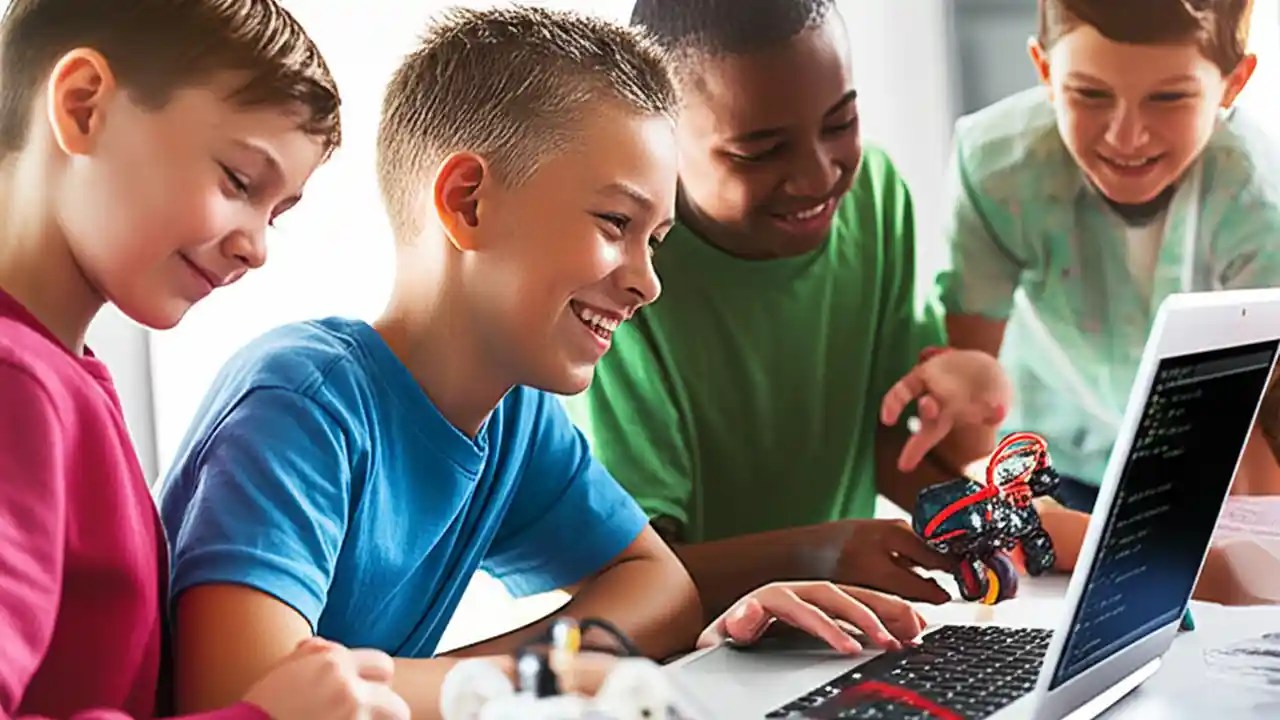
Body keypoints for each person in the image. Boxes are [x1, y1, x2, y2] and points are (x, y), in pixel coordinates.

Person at [155, 8, 707, 720]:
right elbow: (245, 697)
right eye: (615, 224)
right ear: (467, 202)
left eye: (655, 239)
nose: (647, 281)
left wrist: (477, 679)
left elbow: (661, 591)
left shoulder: (516, 415)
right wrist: (525, 684)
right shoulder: (299, 405)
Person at [0, 1, 410, 718]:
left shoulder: (62, 379)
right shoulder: (16, 385)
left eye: (276, 214)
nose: (257, 246)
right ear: (84, 106)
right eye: (239, 181)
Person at [573, 0, 1013, 617]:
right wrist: (819, 555)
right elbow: (633, 571)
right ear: (659, 144)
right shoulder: (623, 281)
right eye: (760, 152)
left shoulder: (875, 197)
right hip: (688, 654)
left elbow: (886, 443)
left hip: (845, 626)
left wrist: (985, 517)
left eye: (842, 123)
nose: (816, 175)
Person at [934, 0, 1280, 589]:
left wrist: (1238, 547)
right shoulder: (994, 166)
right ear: (1044, 71)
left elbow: (1261, 425)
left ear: (1233, 83)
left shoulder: (1257, 197)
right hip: (1046, 461)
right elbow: (972, 387)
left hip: (1196, 469)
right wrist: (1006, 511)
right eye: (1090, 95)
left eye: (1168, 98)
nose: (1126, 135)